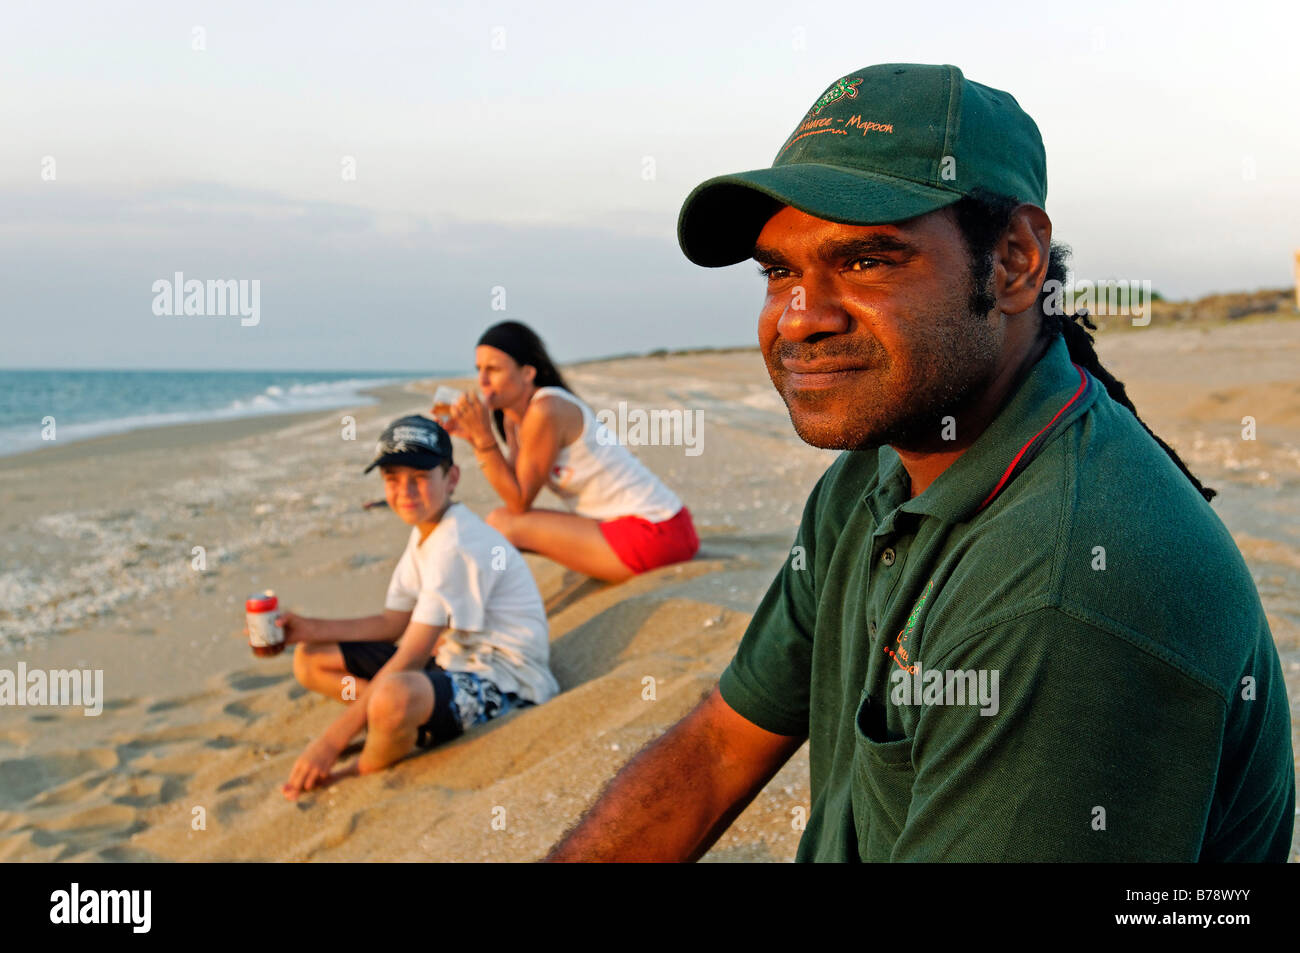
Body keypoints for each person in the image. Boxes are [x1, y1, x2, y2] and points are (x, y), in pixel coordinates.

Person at [544, 63, 1295, 861]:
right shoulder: (877, 471)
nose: (800, 320)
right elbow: (719, 747)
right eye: (779, 272)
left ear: (1013, 261)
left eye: (867, 261)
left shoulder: (1062, 589)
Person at [278, 414, 558, 799]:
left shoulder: (456, 542)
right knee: (311, 659)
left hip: (505, 684)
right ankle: (385, 726)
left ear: (452, 479)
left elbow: (410, 655)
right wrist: (308, 629)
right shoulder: (427, 532)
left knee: (395, 696)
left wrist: (329, 741)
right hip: (453, 663)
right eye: (393, 478)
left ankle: (366, 766)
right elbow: (393, 622)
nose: (405, 490)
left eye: (421, 477)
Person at [440, 320, 699, 584]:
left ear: (527, 373)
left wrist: (485, 439)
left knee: (502, 524)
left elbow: (518, 502)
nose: (482, 380)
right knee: (499, 527)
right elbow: (513, 487)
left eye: (493, 369)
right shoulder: (515, 419)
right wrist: (475, 437)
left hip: (657, 532)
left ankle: (471, 610)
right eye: (479, 369)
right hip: (648, 528)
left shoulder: (547, 409)